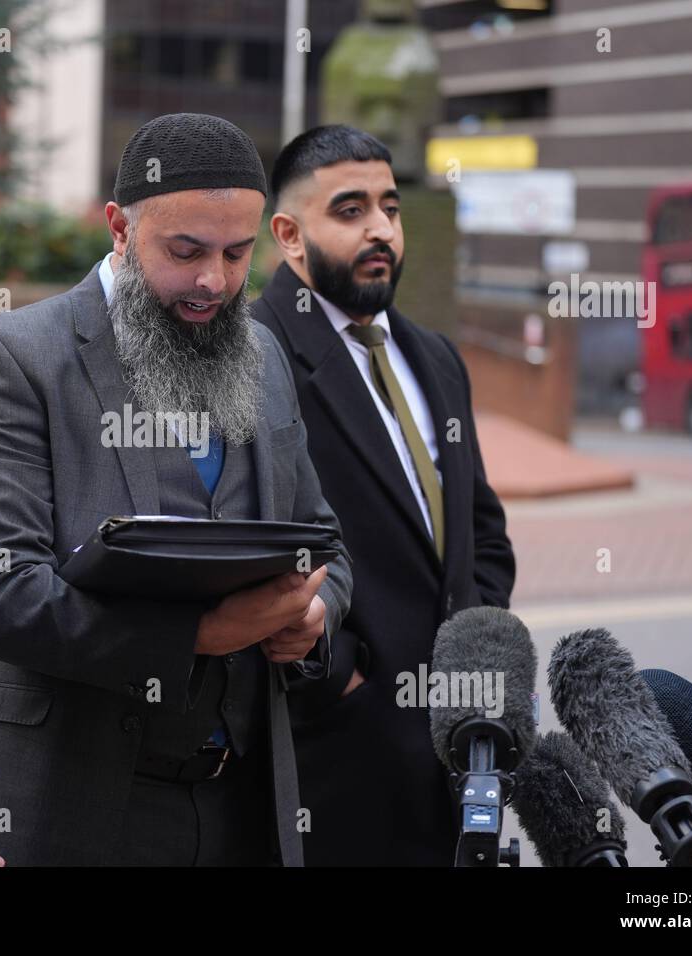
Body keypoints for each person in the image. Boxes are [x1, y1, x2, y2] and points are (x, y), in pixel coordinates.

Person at [0, 113, 352, 866]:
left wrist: (313, 613)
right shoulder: (10, 357)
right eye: (186, 251)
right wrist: (199, 637)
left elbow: (321, 538)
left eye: (237, 254)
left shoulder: (260, 347)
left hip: (243, 810)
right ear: (119, 230)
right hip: (80, 810)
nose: (215, 282)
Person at [253, 125, 516, 865]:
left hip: (458, 761)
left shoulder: (433, 356)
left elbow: (482, 535)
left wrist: (473, 654)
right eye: (350, 210)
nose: (380, 230)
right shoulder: (250, 354)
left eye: (391, 208)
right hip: (337, 763)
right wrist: (345, 682)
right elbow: (252, 555)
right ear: (289, 234)